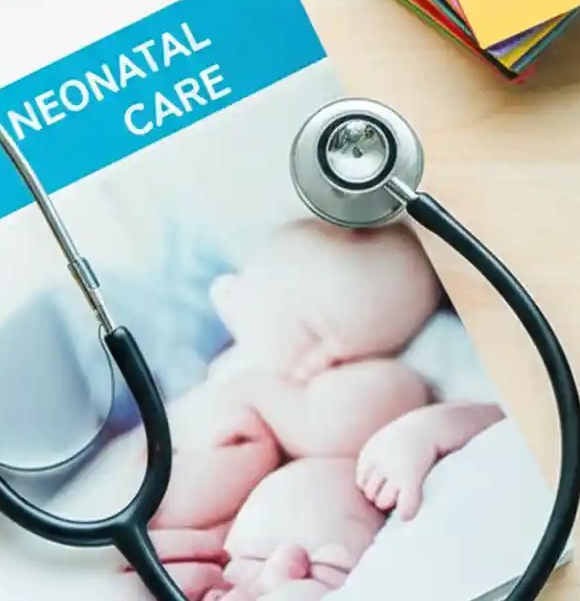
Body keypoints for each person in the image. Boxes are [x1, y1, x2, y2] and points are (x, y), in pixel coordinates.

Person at [118, 220, 507, 600]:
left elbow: (324, 431)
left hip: (316, 556)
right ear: (234, 297)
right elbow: (165, 495)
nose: (326, 362)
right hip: (228, 560)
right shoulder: (226, 379)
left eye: (363, 354)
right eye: (312, 333)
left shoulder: (362, 387)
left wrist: (258, 398)